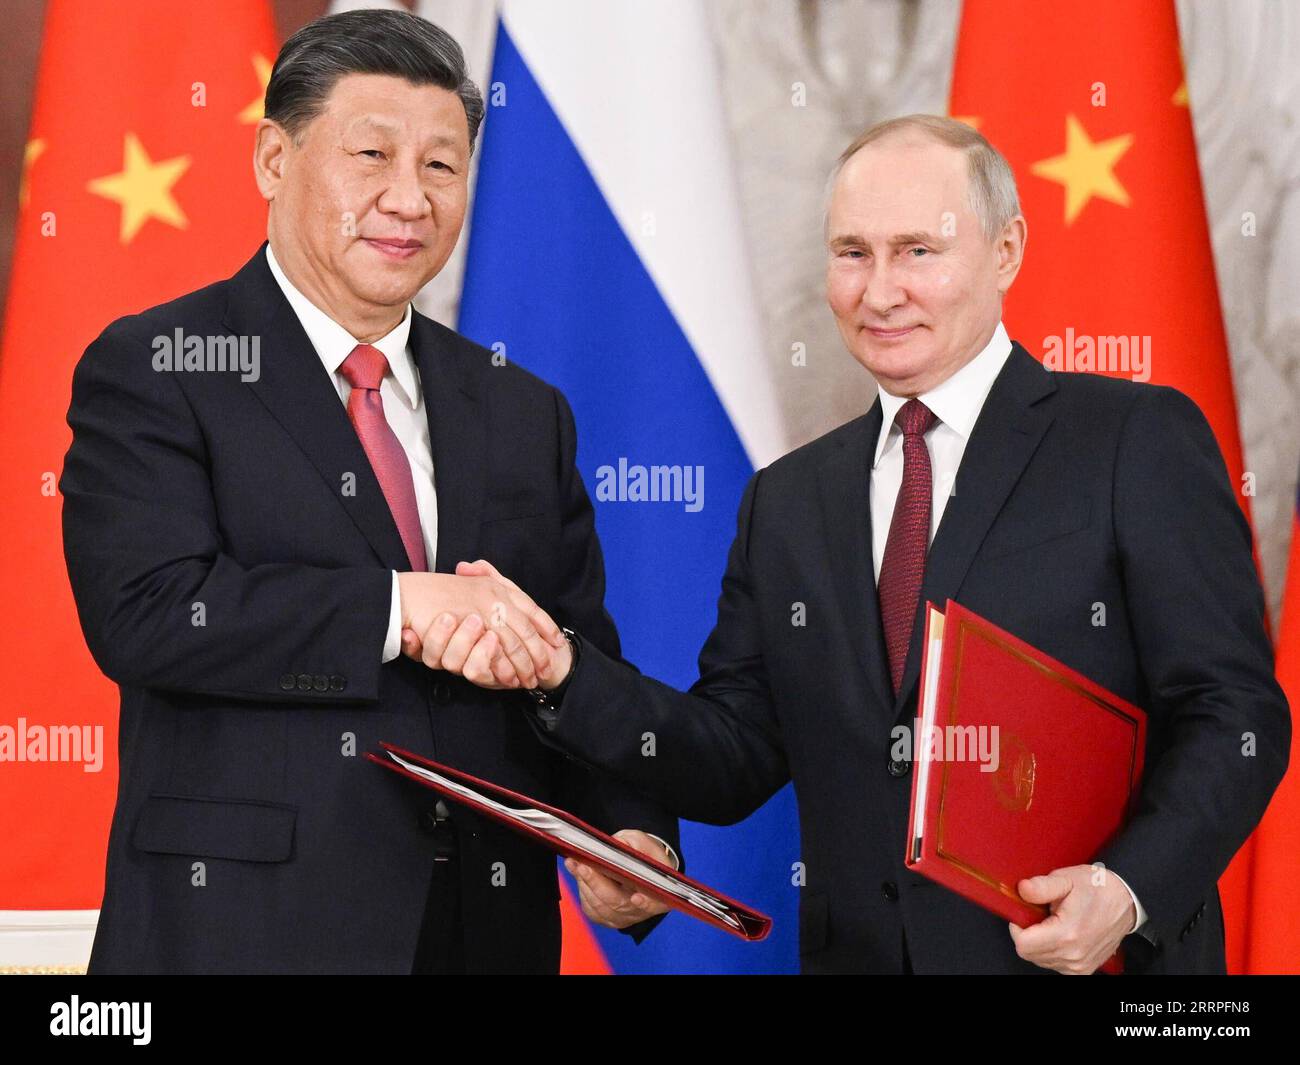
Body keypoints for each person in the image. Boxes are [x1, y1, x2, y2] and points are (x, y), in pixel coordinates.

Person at [416, 115, 1291, 974]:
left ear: (1007, 251)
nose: (880, 291)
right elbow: (733, 753)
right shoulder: (789, 500)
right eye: (852, 253)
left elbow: (1236, 712)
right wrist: (564, 670)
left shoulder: (1134, 439)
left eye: (918, 250)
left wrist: (1128, 888)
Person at [60, 8, 677, 975]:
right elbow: (146, 613)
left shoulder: (521, 408)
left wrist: (627, 833)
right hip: (242, 935)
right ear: (274, 159)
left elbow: (569, 654)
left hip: (484, 933)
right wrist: (401, 607)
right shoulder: (159, 365)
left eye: (442, 165)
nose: (410, 198)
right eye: (372, 154)